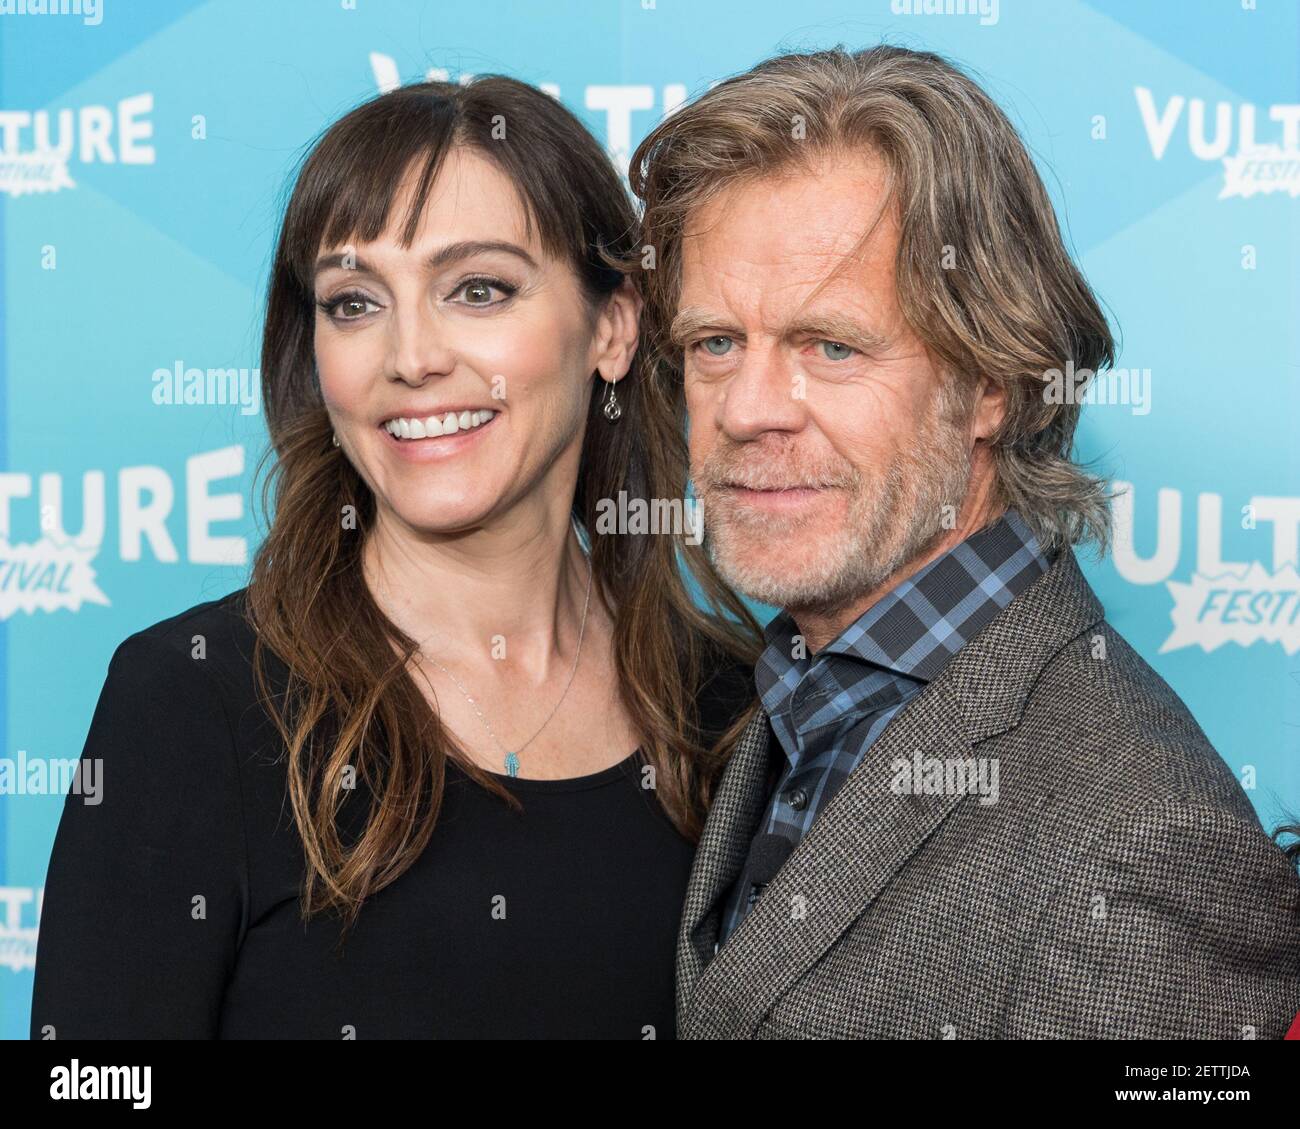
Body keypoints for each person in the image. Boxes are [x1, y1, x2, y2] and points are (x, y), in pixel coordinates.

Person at [30, 75, 759, 1040]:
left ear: (613, 327)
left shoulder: (740, 708)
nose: (410, 356)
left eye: (479, 289)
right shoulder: (193, 702)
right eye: (355, 302)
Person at [625, 44, 1300, 1039]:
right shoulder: (802, 687)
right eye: (715, 344)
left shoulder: (1145, 840)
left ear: (990, 384)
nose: (748, 410)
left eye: (831, 346)